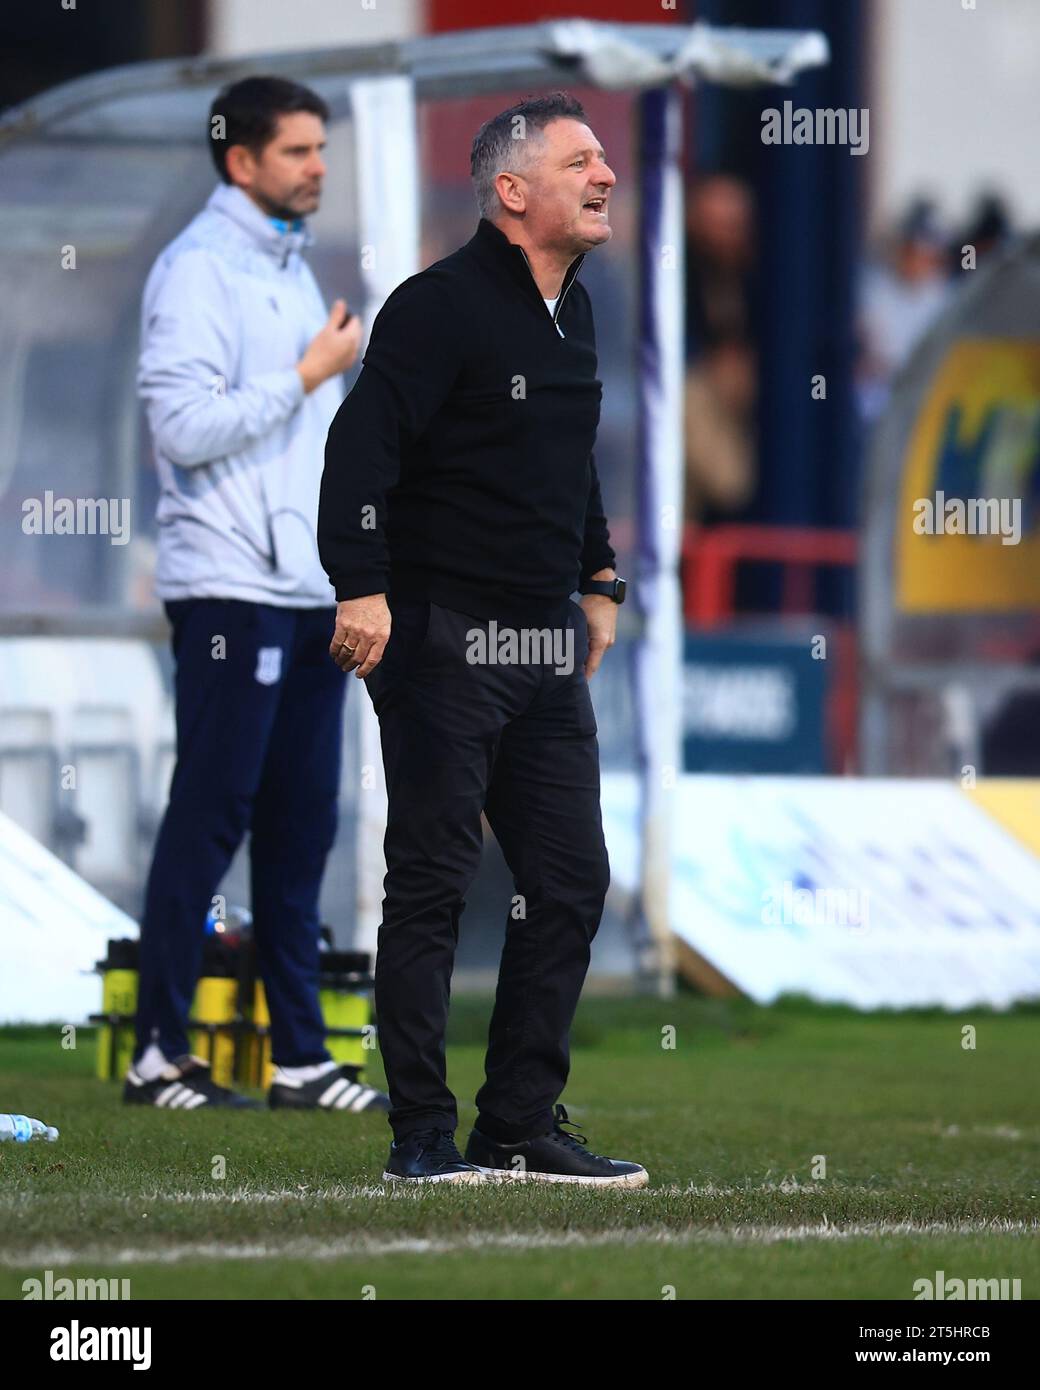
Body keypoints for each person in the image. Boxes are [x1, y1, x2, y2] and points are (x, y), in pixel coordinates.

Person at [318, 91, 648, 1186]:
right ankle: (420, 1132)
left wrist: (598, 576)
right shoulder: (438, 305)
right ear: (512, 192)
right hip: (439, 631)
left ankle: (516, 1122)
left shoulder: (577, 309)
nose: (604, 174)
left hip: (543, 642)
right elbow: (358, 450)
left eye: (603, 158)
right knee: (431, 877)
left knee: (569, 879)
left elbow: (571, 456)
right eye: (578, 160)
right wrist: (360, 586)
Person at [128, 75, 388, 1115]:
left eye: (321, 149)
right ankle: (157, 1052)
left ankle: (298, 1058)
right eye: (296, 152)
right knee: (211, 811)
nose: (318, 166)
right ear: (239, 161)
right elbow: (183, 430)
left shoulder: (286, 265)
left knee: (299, 824)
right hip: (229, 587)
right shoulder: (195, 269)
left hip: (303, 587)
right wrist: (309, 373)